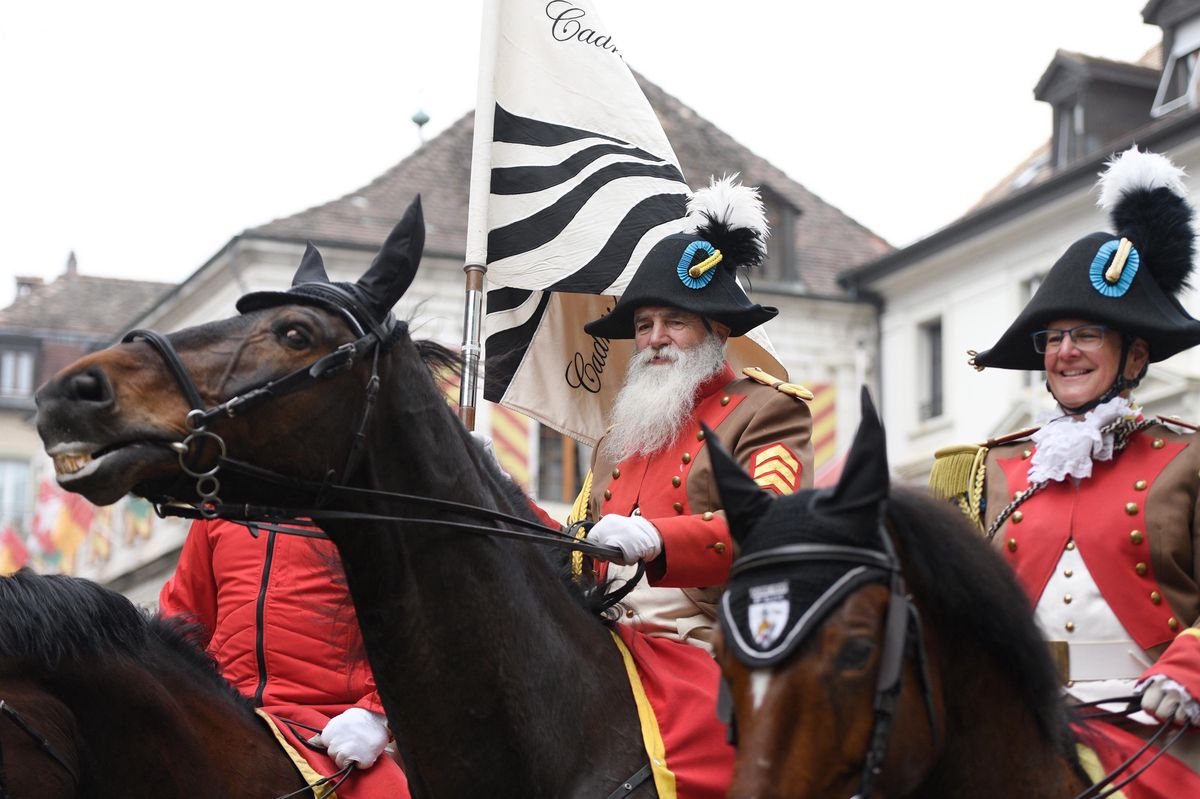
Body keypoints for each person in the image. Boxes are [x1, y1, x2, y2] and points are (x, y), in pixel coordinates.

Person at [933, 147, 1200, 793]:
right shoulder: (985, 468)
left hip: (1166, 724)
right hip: (1028, 726)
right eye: (1051, 338)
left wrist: (1187, 675)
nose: (1065, 351)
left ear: (1135, 352)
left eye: (1086, 334)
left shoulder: (1190, 456)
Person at [566, 176, 813, 798]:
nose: (653, 338)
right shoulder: (620, 434)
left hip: (704, 647)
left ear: (717, 330)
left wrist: (655, 538)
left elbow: (770, 534)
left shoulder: (764, 411)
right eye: (645, 323)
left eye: (675, 321)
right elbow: (575, 550)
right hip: (605, 643)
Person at [159, 518, 411, 798]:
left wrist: (376, 713)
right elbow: (180, 624)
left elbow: (422, 622)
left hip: (335, 725)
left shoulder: (358, 498)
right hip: (230, 716)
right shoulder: (216, 507)